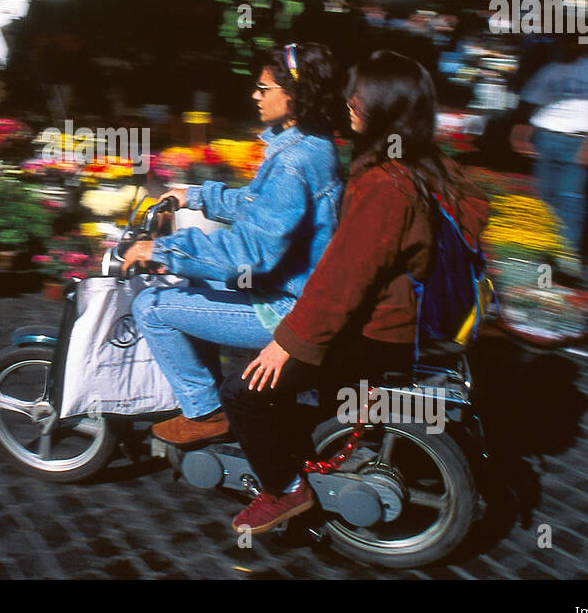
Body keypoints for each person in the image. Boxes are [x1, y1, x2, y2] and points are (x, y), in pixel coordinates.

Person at [220, 51, 489, 534]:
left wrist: (285, 342)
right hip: (419, 323)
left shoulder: (386, 182)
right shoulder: (428, 162)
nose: (348, 100)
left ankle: (283, 490)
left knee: (244, 391)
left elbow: (345, 279)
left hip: (385, 331)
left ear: (382, 105)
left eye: (358, 93)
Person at [122, 44, 345, 447]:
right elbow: (261, 206)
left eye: (264, 88)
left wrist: (162, 251)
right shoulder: (308, 144)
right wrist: (195, 196)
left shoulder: (294, 160)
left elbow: (250, 253)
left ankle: (204, 412)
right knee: (192, 291)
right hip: (288, 291)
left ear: (292, 94)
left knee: (150, 307)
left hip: (284, 307)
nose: (255, 96)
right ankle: (219, 400)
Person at [509, 36, 588, 272]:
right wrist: (520, 134)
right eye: (564, 44)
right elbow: (529, 104)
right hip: (545, 138)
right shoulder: (549, 70)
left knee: (570, 199)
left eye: (573, 44)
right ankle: (539, 253)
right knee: (543, 198)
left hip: (578, 140)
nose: (567, 48)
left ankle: (565, 257)